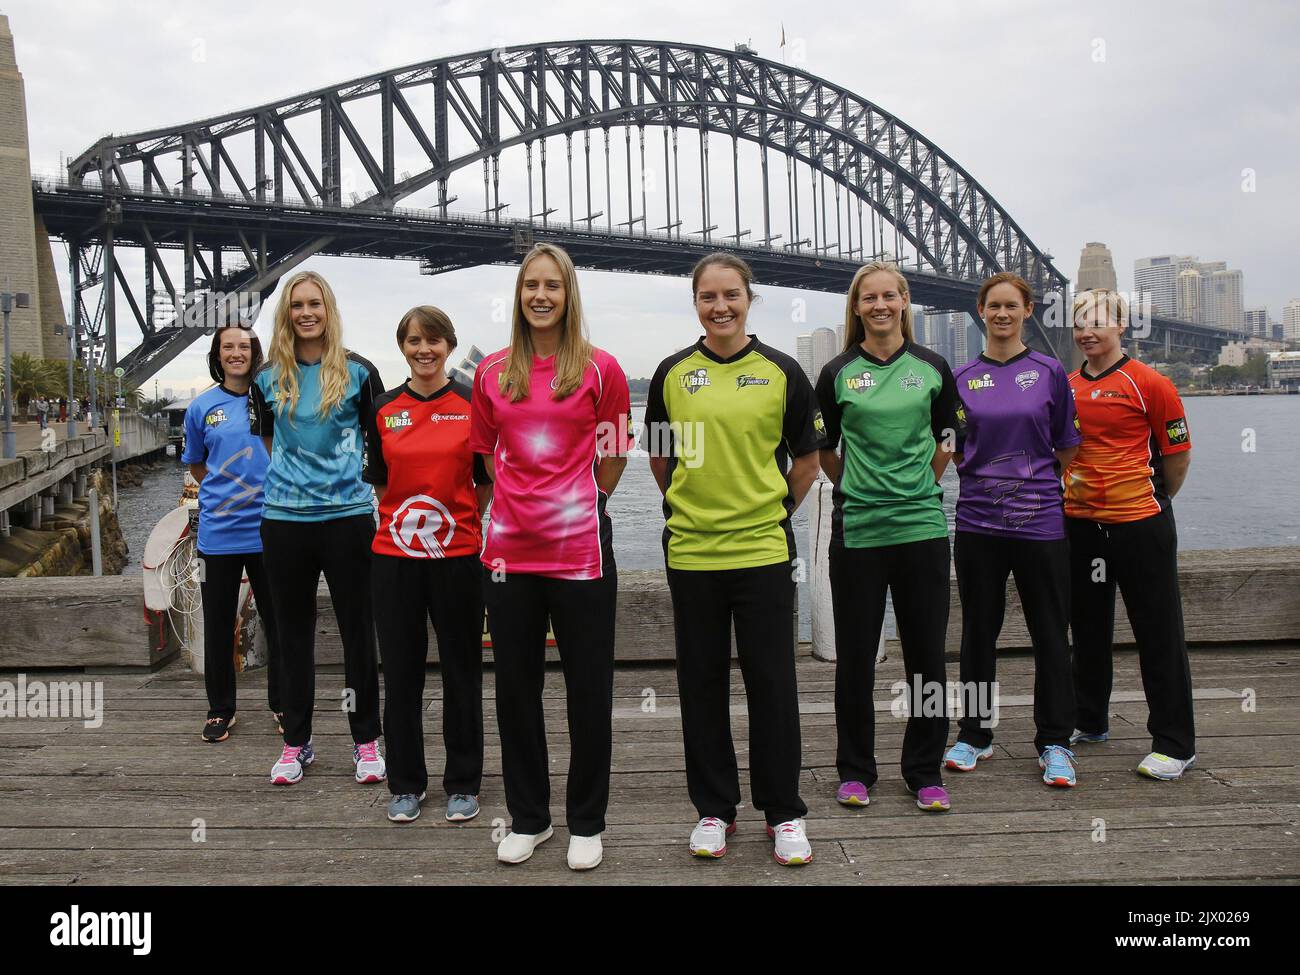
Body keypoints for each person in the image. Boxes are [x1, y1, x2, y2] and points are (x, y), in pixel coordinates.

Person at [644, 253, 824, 866]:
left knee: (773, 684)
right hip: (693, 554)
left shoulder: (782, 372)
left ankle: (784, 812)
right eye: (707, 297)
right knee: (701, 686)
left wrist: (772, 513)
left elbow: (806, 459)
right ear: (695, 303)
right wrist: (687, 508)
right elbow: (661, 460)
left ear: (750, 299)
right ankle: (715, 810)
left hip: (763, 552)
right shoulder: (672, 373)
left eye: (731, 295)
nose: (720, 307)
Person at [470, 243, 633, 871]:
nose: (541, 296)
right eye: (530, 285)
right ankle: (530, 818)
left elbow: (614, 453)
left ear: (569, 295)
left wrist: (578, 501)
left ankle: (587, 822)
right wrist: (524, 502)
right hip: (509, 555)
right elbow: (488, 457)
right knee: (516, 690)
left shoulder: (602, 369)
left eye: (553, 286)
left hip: (582, 555)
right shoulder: (491, 373)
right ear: (519, 295)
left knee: (588, 690)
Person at [816, 260, 959, 813]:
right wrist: (855, 485)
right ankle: (855, 771)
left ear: (904, 302)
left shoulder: (932, 366)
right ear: (856, 308)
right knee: (856, 658)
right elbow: (824, 448)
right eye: (868, 298)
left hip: (921, 528)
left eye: (889, 296)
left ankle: (924, 771)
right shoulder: (836, 372)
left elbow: (949, 435)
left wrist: (924, 481)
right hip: (859, 531)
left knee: (926, 656)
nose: (879, 306)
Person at [941, 272, 1082, 787]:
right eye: (993, 306)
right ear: (981, 311)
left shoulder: (1048, 371)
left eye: (1011, 306)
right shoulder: (960, 377)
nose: (1002, 314)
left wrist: (1033, 485)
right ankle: (975, 734)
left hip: (1041, 523)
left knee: (1049, 631)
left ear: (1027, 311)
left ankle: (1055, 741)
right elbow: (948, 445)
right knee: (979, 630)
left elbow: (1067, 445)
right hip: (978, 521)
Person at [248, 270, 386, 787]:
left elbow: (377, 444)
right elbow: (269, 444)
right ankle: (296, 743)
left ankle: (366, 741)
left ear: (328, 311)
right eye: (297, 305)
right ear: (286, 314)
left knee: (357, 634)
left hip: (348, 519)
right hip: (284, 522)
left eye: (315, 304)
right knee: (291, 635)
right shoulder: (266, 378)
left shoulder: (359, 372)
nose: (306, 313)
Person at [364, 306, 490, 825]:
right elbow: (379, 481)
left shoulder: (470, 404)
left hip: (458, 557)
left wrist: (455, 526)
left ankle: (463, 782)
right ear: (403, 347)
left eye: (434, 340)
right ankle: (407, 784)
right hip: (395, 561)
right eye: (415, 340)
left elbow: (484, 483)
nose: (424, 349)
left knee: (462, 673)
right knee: (401, 674)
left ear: (449, 346)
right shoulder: (381, 407)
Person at [1065, 289, 1196, 780]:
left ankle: (1174, 741)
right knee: (1088, 626)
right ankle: (1089, 719)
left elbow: (1176, 456)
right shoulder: (1068, 385)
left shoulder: (1151, 384)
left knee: (1157, 631)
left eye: (1098, 322)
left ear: (1122, 326)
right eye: (1080, 324)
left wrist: (1150, 502)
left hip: (1141, 524)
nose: (1087, 332)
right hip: (1080, 524)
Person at [182, 324, 281, 743]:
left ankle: (284, 705)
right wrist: (223, 495)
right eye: (229, 347)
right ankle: (220, 708)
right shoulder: (202, 406)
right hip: (219, 534)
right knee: (218, 625)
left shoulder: (272, 399)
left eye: (244, 346)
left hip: (272, 529)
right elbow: (197, 465)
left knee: (281, 624)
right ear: (218, 355)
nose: (237, 353)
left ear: (254, 352)